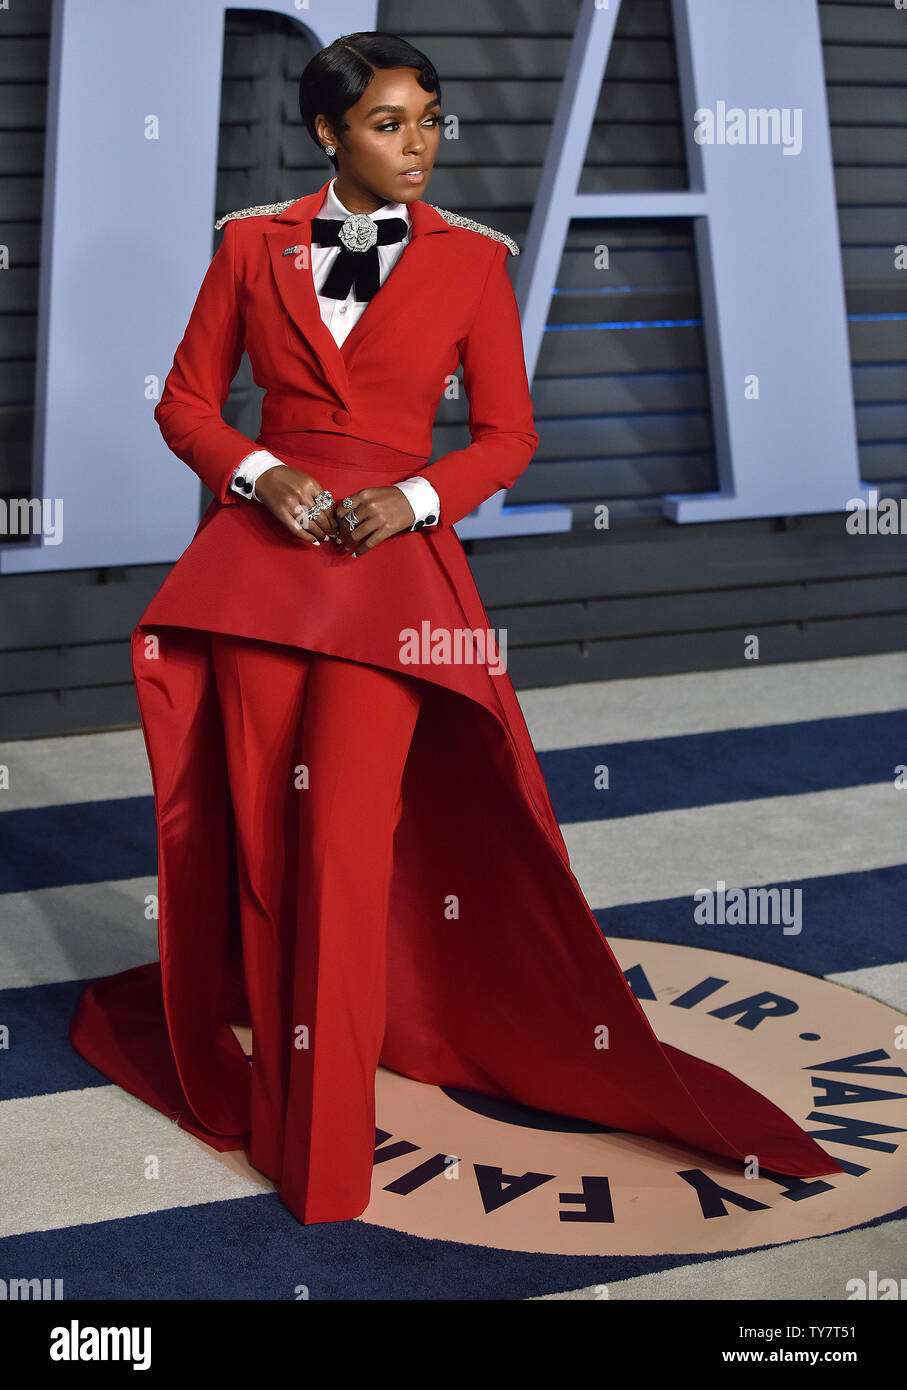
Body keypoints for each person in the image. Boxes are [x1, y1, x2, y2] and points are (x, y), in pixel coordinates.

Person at [69, 31, 844, 1226]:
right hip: (260, 576)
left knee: (342, 846)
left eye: (429, 119)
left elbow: (508, 434)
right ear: (329, 133)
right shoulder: (247, 244)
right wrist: (258, 471)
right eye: (389, 122)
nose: (419, 143)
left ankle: (327, 1154)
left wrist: (419, 495)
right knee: (271, 854)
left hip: (392, 584)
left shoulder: (475, 264)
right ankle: (291, 1114)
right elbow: (184, 400)